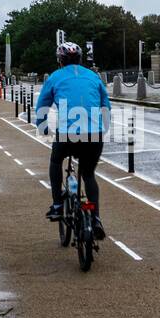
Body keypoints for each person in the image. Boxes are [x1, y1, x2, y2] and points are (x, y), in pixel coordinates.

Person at [36, 41, 110, 239]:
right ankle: (95, 219)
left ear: (60, 60)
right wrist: (103, 126)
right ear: (80, 59)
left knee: (55, 161)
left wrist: (42, 126)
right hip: (94, 134)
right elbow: (105, 104)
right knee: (88, 175)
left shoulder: (55, 77)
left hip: (68, 134)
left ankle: (58, 205)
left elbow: (42, 104)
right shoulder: (93, 77)